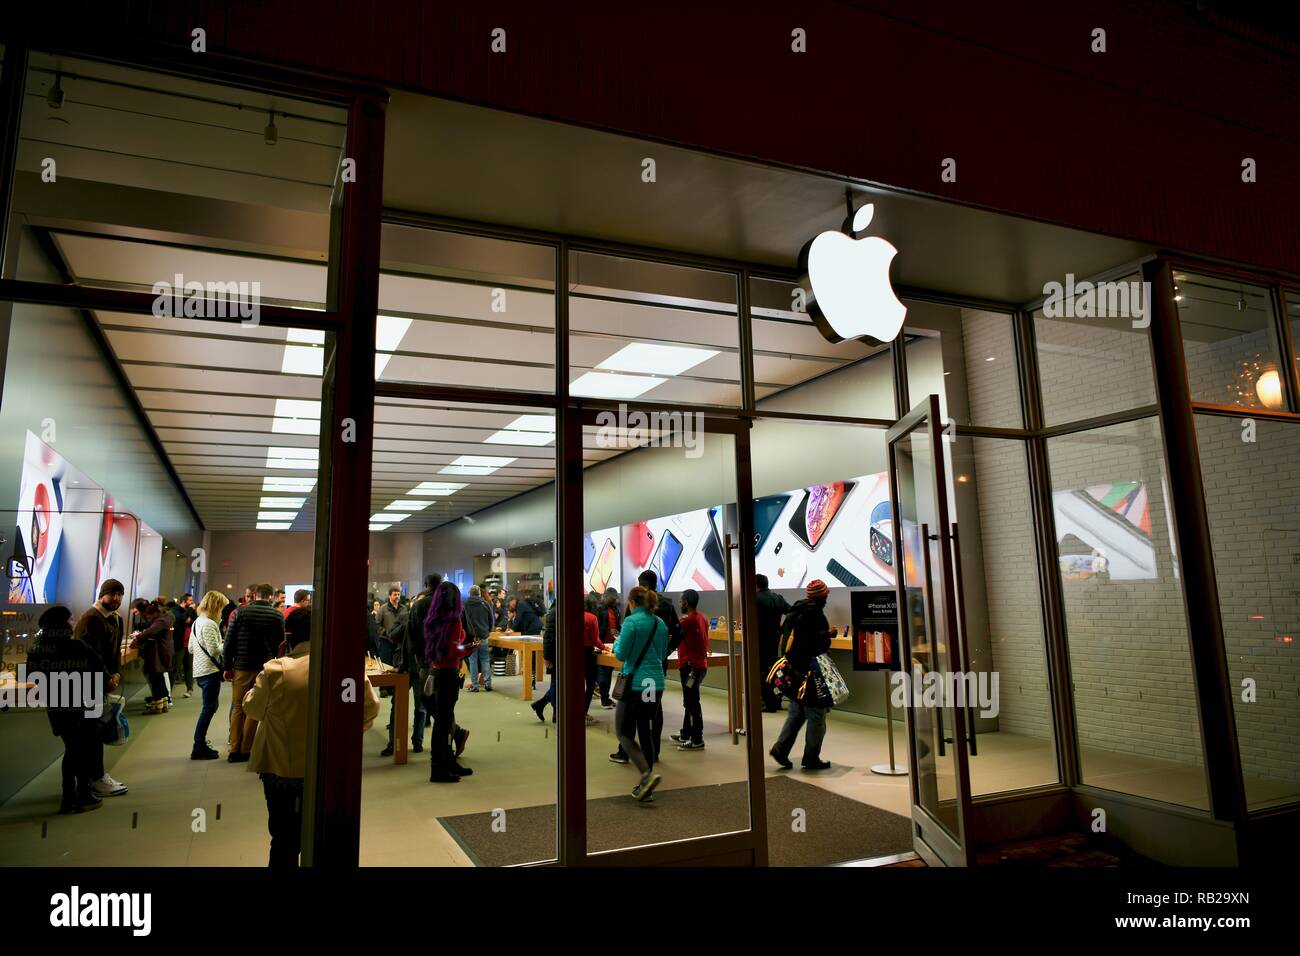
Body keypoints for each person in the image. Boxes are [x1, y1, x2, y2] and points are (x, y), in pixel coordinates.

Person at [242, 606, 379, 866]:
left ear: (288, 637)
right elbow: (369, 708)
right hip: (330, 771)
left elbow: (253, 708)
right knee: (328, 840)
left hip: (282, 771)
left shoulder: (275, 670)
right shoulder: (342, 666)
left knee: (284, 840)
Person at [28, 606, 115, 814]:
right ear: (64, 624)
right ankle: (82, 795)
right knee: (82, 750)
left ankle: (70, 796)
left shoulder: (37, 651)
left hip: (58, 709)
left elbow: (32, 678)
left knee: (72, 749)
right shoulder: (79, 648)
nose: (74, 622)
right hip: (82, 708)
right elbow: (104, 680)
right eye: (71, 619)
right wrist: (114, 679)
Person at [769, 579, 836, 771]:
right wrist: (827, 635)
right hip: (812, 673)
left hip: (793, 670)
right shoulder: (816, 615)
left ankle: (781, 749)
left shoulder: (795, 610)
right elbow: (818, 645)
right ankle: (811, 758)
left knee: (796, 712)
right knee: (817, 715)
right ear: (822, 597)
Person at [74, 578, 129, 799]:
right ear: (102, 594)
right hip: (87, 685)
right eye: (112, 594)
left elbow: (114, 652)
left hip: (102, 684)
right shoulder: (90, 619)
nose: (116, 598)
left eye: (119, 594)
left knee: (96, 730)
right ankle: (94, 779)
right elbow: (86, 655)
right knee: (91, 734)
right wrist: (106, 677)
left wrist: (115, 674)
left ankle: (95, 777)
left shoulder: (116, 619)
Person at [611, 586, 666, 801]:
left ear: (633, 602)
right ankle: (647, 783)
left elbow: (621, 654)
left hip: (636, 684)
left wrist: (616, 644)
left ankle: (646, 774)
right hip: (654, 683)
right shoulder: (659, 623)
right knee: (646, 730)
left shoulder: (631, 622)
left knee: (623, 732)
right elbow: (662, 653)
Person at [222, 583, 285, 763]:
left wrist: (227, 666)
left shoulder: (240, 612)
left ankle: (234, 749)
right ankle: (246, 750)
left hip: (241, 666)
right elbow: (280, 644)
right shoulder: (276, 615)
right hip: (263, 668)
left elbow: (229, 641)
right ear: (271, 597)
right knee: (254, 708)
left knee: (237, 708)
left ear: (255, 596)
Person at [423, 581, 478, 783]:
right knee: (444, 724)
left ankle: (446, 762)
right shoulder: (454, 621)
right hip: (447, 675)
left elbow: (443, 648)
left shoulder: (433, 619)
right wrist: (470, 649)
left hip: (435, 673)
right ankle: (438, 767)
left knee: (443, 723)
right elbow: (454, 650)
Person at [384, 574, 435, 757]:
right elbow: (392, 636)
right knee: (396, 706)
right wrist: (407, 624)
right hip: (403, 665)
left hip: (420, 665)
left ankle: (418, 741)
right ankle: (392, 742)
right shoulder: (405, 616)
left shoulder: (429, 622)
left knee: (420, 706)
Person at [639, 569, 681, 762]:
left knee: (640, 707)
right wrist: (666, 651)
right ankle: (653, 748)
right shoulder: (668, 605)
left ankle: (644, 750)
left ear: (644, 584)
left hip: (642, 665)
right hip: (658, 663)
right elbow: (678, 632)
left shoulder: (641, 603)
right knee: (655, 705)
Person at [190, 590, 230, 760]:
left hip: (200, 671)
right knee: (208, 708)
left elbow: (191, 648)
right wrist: (225, 643)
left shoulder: (197, 622)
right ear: (216, 606)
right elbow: (214, 650)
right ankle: (198, 745)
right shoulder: (209, 624)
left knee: (210, 707)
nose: (222, 610)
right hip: (210, 671)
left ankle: (200, 744)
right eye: (221, 607)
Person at [671, 589, 709, 750]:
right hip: (699, 666)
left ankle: (697, 738)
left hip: (690, 668)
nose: (679, 603)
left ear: (686, 602)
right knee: (690, 701)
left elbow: (673, 636)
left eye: (680, 601)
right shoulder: (702, 618)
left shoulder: (686, 622)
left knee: (692, 703)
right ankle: (686, 733)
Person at [130, 600, 174, 715]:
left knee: (156, 680)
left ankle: (157, 706)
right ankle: (163, 704)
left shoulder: (160, 621)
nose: (148, 619)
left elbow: (149, 632)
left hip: (158, 654)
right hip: (162, 652)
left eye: (149, 617)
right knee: (159, 679)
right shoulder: (164, 618)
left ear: (153, 614)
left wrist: (137, 639)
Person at [755, 573, 791, 713]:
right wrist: (781, 630)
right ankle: (776, 700)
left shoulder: (754, 599)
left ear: (756, 585)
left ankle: (766, 701)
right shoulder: (778, 598)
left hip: (758, 640)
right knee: (774, 670)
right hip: (774, 639)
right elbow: (791, 612)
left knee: (761, 671)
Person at [462, 585, 495, 691]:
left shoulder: (465, 605)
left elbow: (462, 621)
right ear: (479, 594)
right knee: (485, 660)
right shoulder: (485, 604)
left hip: (471, 638)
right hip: (483, 636)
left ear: (470, 594)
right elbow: (491, 621)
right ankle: (487, 683)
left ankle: (475, 685)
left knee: (473, 661)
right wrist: (487, 632)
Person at [582, 593, 609, 722]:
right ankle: (584, 712)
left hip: (574, 654)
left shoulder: (572, 615)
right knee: (591, 683)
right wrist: (604, 647)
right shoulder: (592, 618)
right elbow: (594, 639)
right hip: (588, 654)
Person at [531, 599, 559, 722]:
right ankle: (551, 710)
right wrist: (547, 657)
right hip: (555, 654)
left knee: (557, 684)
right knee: (556, 684)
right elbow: (548, 637)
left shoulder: (554, 612)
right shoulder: (554, 613)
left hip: (556, 653)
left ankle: (541, 705)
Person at [595, 588, 622, 708]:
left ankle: (605, 697)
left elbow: (617, 624)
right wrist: (608, 630)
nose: (613, 601)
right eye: (611, 599)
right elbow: (596, 627)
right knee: (603, 671)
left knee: (609, 671)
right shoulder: (598, 609)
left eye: (614, 600)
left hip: (613, 644)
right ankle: (604, 698)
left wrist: (618, 632)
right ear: (605, 597)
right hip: (601, 643)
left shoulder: (616, 609)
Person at [170, 593, 198, 699]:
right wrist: (190, 611)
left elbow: (194, 621)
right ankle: (168, 692)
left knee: (188, 667)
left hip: (189, 644)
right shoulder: (175, 610)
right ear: (184, 601)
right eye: (190, 600)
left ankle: (189, 689)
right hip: (179, 644)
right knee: (175, 668)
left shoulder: (190, 612)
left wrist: (191, 613)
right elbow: (181, 619)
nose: (192, 602)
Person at [378, 587, 406, 665]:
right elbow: (377, 624)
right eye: (395, 594)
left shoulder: (403, 608)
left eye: (398, 594)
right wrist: (385, 632)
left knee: (397, 665)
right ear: (389, 596)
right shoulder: (383, 608)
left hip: (399, 642)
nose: (397, 596)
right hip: (386, 640)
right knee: (386, 664)